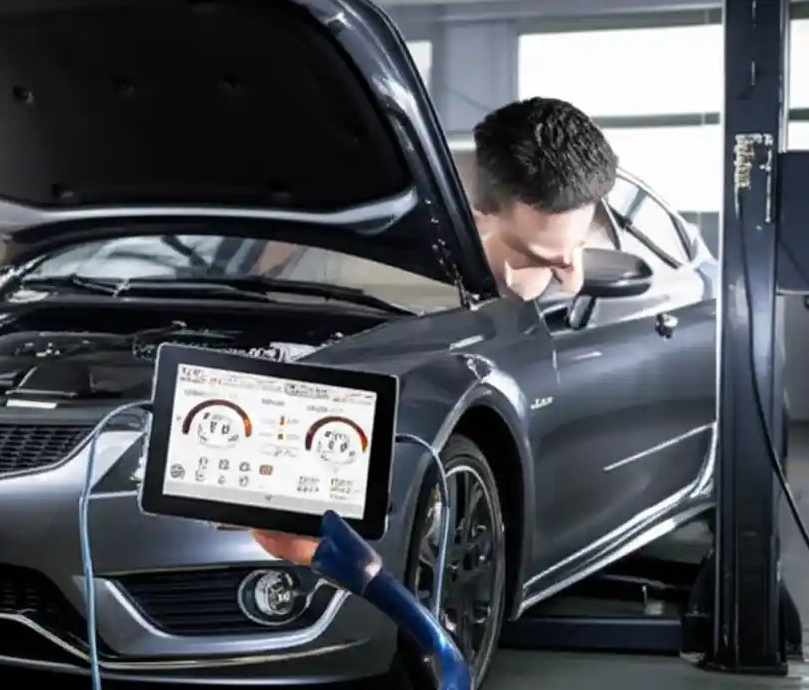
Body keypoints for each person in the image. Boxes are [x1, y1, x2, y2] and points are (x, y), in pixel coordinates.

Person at [250, 96, 619, 565]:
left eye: (578, 246)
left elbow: (574, 279)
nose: (570, 272)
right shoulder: (348, 265)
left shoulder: (562, 254)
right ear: (475, 218)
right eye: (538, 256)